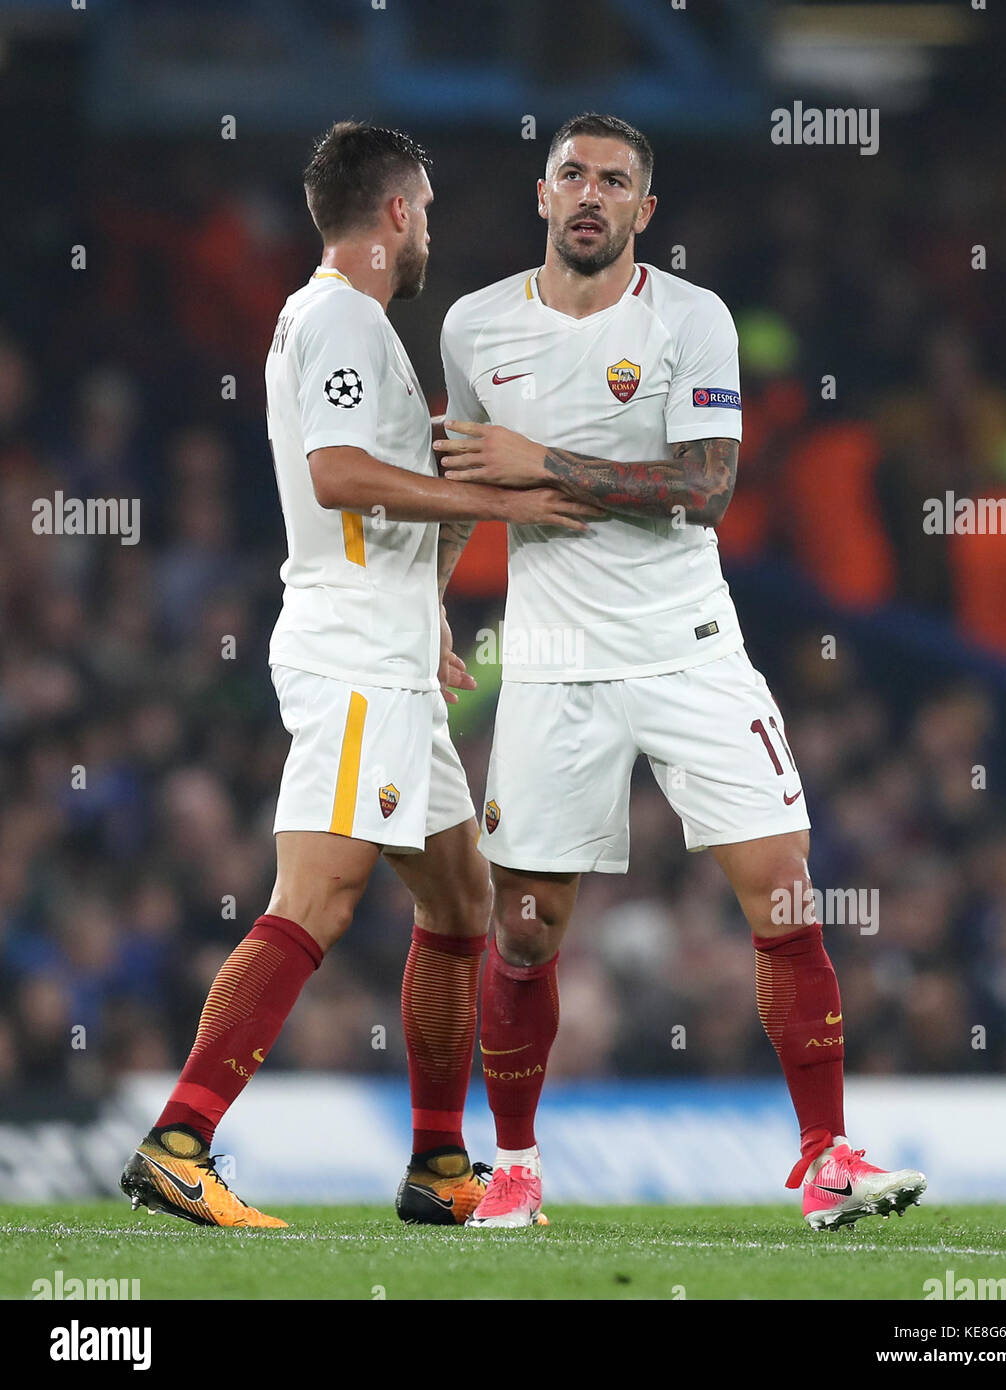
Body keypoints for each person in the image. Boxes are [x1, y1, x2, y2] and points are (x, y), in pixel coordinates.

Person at [436, 112, 926, 1231]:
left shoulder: (690, 320)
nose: (591, 194)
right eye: (573, 175)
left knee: (783, 886)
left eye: (615, 179)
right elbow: (465, 486)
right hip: (550, 659)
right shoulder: (473, 327)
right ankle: (511, 1165)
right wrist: (429, 607)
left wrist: (542, 466)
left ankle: (823, 1157)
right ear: (542, 193)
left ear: (643, 210)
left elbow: (703, 488)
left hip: (685, 644)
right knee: (524, 927)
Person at [119, 121, 600, 1229]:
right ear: (393, 212)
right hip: (349, 655)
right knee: (320, 892)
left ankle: (437, 1166)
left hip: (386, 645)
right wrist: (496, 500)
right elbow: (340, 477)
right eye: (423, 210)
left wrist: (430, 598)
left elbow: (385, 478)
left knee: (459, 894)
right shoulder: (337, 315)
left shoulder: (362, 329)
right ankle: (179, 1138)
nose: (428, 227)